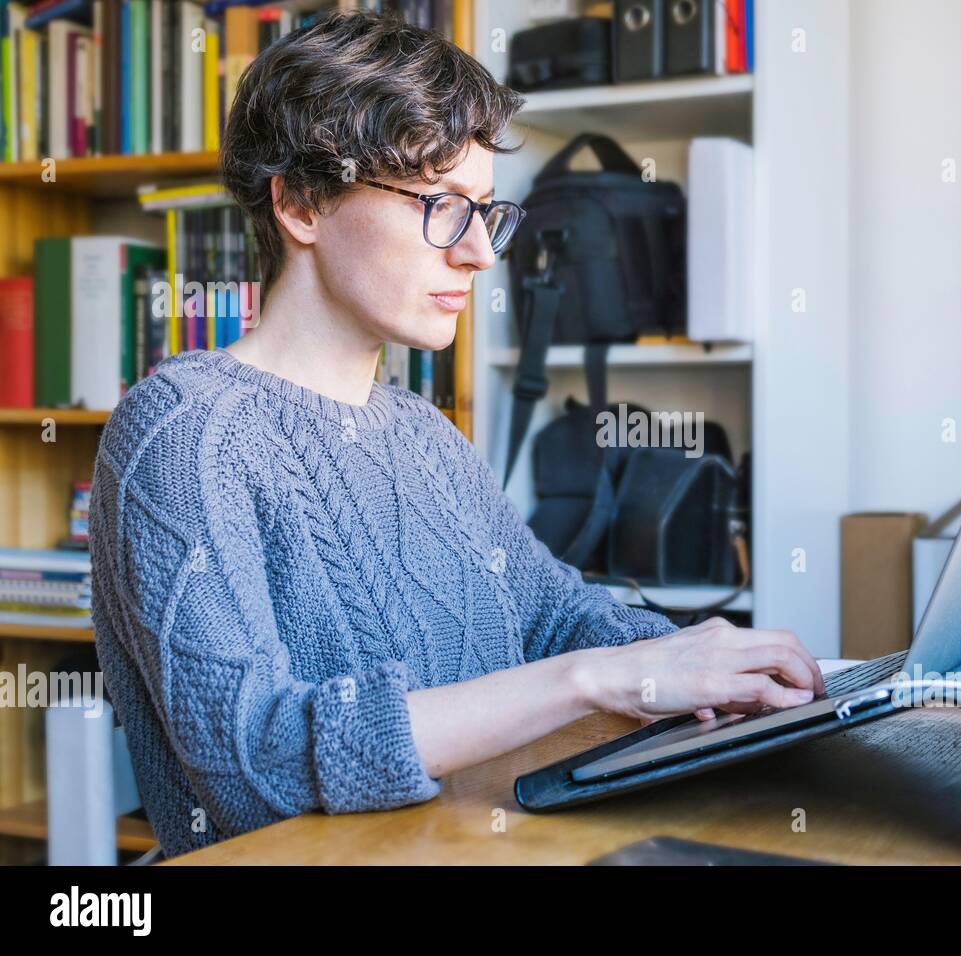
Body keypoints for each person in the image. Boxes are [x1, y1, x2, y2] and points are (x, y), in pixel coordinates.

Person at [89, 10, 821, 859]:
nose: (479, 252)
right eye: (440, 205)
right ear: (300, 203)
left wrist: (704, 658)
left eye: (483, 211)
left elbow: (552, 617)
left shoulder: (421, 433)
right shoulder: (183, 435)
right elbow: (257, 764)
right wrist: (589, 680)